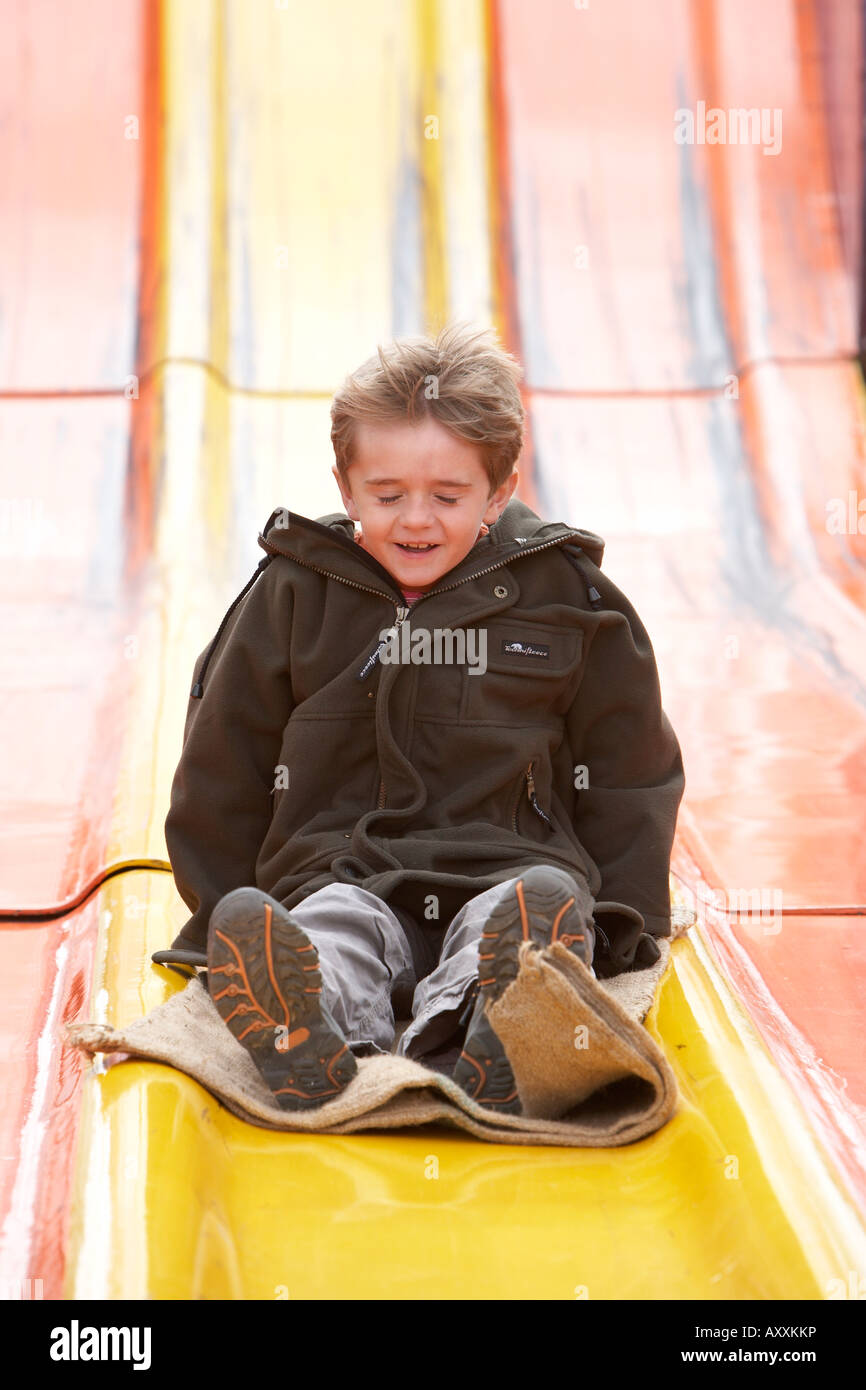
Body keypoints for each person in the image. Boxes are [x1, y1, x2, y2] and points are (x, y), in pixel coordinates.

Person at [156, 321, 685, 1115]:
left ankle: (496, 1025)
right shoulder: (296, 592)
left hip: (507, 868)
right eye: (387, 495)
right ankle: (308, 1026)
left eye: (447, 496)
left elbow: (629, 767)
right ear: (344, 487)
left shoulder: (567, 599)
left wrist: (627, 923)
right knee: (330, 933)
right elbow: (225, 753)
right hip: (343, 870)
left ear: (499, 492)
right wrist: (221, 904)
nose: (415, 520)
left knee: (525, 922)